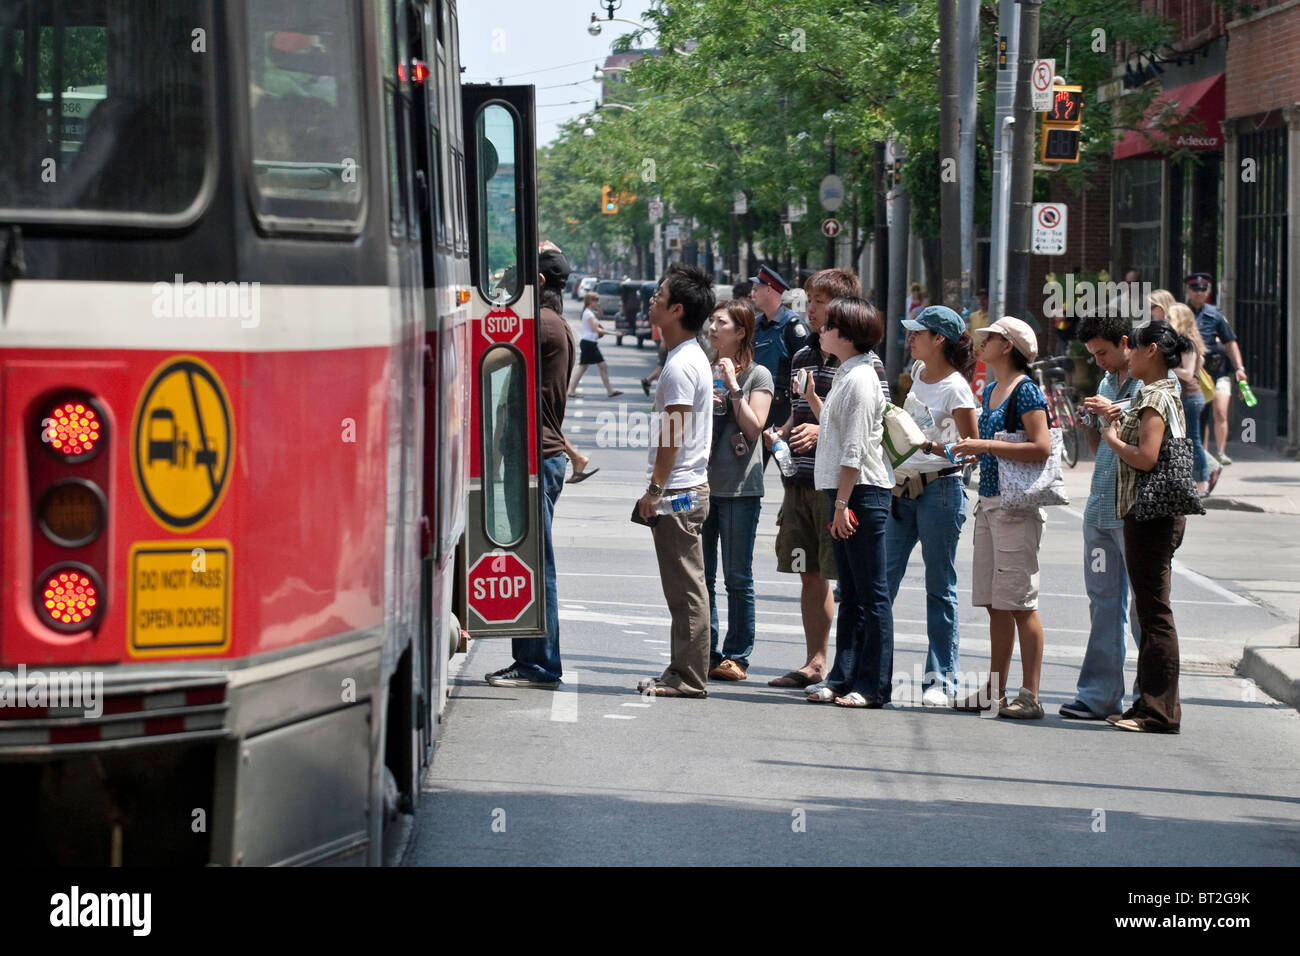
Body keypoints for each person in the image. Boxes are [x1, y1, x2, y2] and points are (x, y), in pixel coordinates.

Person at [765, 269, 889, 688]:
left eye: (820, 303)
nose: (811, 310)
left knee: (856, 585)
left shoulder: (865, 368)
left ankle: (860, 676)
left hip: (845, 486)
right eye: (810, 301)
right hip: (804, 478)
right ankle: (818, 663)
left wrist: (823, 430)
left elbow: (873, 426)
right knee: (810, 570)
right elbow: (798, 413)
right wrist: (780, 434)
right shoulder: (804, 355)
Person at [950, 316, 1052, 719]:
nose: (981, 343)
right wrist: (977, 450)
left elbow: (1041, 446)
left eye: (989, 338)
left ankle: (1031, 694)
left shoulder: (1025, 391)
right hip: (990, 503)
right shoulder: (991, 388)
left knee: (1021, 603)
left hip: (1016, 508)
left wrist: (987, 445)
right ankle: (995, 691)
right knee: (996, 603)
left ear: (1007, 346)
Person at [1098, 320, 1197, 733]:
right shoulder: (1160, 390)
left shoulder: (1155, 396)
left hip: (1152, 512)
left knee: (1154, 613)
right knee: (1149, 608)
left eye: (1135, 349)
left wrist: (1113, 440)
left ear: (1151, 350)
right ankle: (1146, 705)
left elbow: (1147, 457)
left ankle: (1158, 712)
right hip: (1150, 512)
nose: (1130, 356)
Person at [486, 244, 577, 689]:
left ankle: (539, 665)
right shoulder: (553, 323)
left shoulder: (540, 325)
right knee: (531, 561)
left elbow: (488, 350)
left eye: (515, 275)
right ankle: (530, 661)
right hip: (539, 457)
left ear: (537, 283)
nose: (506, 281)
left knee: (536, 564)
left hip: (537, 460)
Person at [801, 297, 895, 708]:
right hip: (844, 492)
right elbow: (835, 431)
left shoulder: (860, 379)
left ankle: (874, 686)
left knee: (872, 594)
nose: (821, 329)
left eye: (829, 325)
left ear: (848, 333)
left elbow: (854, 450)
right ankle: (843, 676)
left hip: (861, 493)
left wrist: (842, 506)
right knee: (852, 592)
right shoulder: (846, 372)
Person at [886, 305, 978, 705]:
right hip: (903, 486)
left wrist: (928, 444)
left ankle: (942, 680)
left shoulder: (957, 388)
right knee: (881, 581)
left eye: (918, 332)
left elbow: (970, 450)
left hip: (941, 490)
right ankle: (870, 667)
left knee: (940, 588)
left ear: (939, 338)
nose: (911, 338)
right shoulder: (919, 374)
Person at [635, 264, 716, 698]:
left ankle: (689, 678)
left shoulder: (681, 365)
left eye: (659, 294)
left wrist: (655, 490)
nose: (651, 299)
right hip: (683, 488)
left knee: (686, 589)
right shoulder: (685, 357)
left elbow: (674, 431)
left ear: (677, 308)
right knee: (683, 588)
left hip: (679, 493)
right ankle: (679, 670)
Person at [1059, 314, 1144, 720]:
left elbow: (1147, 441)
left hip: (1134, 508)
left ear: (1126, 342)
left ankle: (1151, 697)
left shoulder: (1148, 384)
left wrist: (1112, 415)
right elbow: (1099, 447)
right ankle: (1099, 695)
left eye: (1104, 353)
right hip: (1100, 505)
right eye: (1093, 355)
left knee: (1144, 608)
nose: (1100, 362)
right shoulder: (1107, 383)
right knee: (1103, 603)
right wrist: (1089, 421)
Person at [702, 299, 773, 681]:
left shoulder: (758, 375)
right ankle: (706, 650)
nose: (713, 328)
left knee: (737, 577)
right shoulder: (699, 368)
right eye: (711, 321)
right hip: (701, 485)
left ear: (741, 331)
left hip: (740, 489)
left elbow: (754, 427)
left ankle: (737, 655)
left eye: (722, 323)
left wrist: (732, 389)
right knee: (702, 575)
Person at [750, 265, 810, 461]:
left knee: (789, 469)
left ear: (769, 290)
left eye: (756, 288)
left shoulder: (793, 326)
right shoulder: (757, 324)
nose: (753, 293)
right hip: (757, 406)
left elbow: (805, 367)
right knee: (752, 470)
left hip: (783, 408)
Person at [1186, 273, 1246, 467]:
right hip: (1194, 374)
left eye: (1204, 289)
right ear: (1188, 290)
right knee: (1199, 415)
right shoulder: (1181, 313)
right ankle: (1202, 456)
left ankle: (1220, 452)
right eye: (1195, 289)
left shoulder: (1215, 314)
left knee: (1220, 411)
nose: (1199, 293)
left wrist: (1239, 368)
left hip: (1217, 370)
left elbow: (1230, 342)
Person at [1166, 303, 1216, 496]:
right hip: (1187, 396)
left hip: (1190, 396)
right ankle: (1189, 480)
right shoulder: (1184, 342)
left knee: (1193, 440)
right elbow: (1200, 362)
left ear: (1181, 320)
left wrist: (1166, 368)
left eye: (1171, 318)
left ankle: (1202, 482)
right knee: (1183, 440)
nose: (1168, 322)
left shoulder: (1186, 342)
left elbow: (1187, 373)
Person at [568, 292, 623, 398]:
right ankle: (609, 390)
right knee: (598, 366)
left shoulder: (591, 312)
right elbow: (596, 329)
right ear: (589, 301)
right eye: (595, 300)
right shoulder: (588, 313)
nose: (597, 302)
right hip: (589, 343)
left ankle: (571, 390)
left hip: (590, 343)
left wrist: (599, 306)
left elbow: (601, 315)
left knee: (586, 367)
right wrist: (614, 333)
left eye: (598, 300)